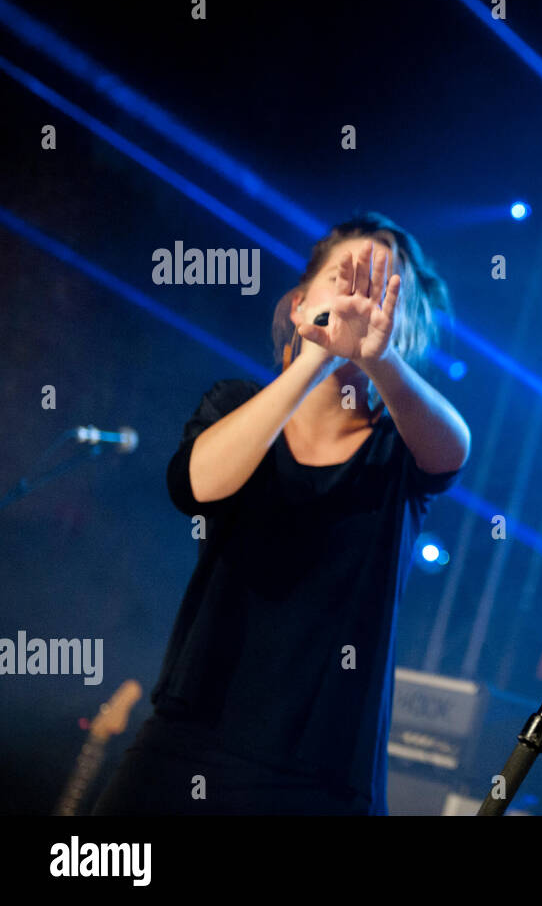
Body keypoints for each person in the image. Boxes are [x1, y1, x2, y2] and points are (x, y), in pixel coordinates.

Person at [93, 213, 470, 815]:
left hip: (321, 774)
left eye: (379, 287)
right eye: (346, 279)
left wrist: (378, 360)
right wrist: (315, 358)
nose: (358, 299)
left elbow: (454, 450)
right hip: (189, 737)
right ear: (298, 306)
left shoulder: (398, 446)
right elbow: (195, 485)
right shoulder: (234, 405)